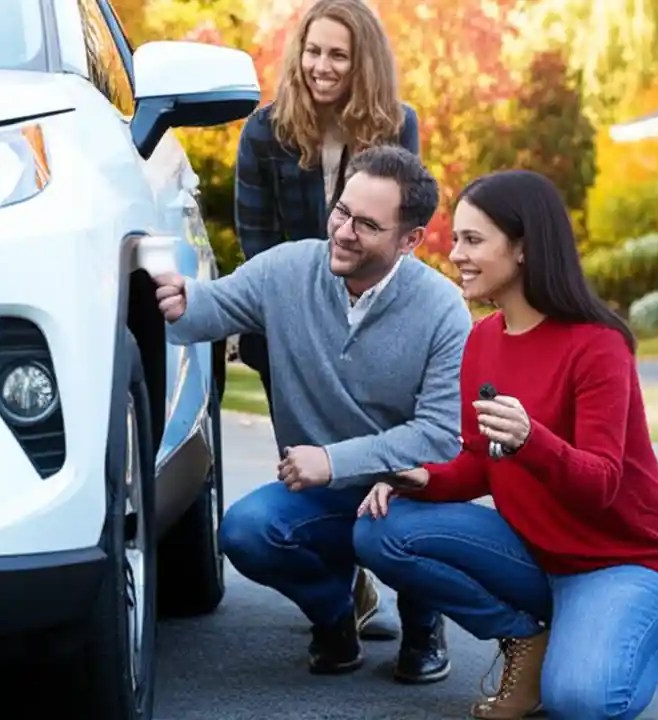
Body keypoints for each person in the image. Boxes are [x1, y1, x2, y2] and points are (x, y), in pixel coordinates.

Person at [351, 169, 658, 720]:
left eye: (474, 240)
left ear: (523, 248)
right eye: (458, 240)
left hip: (625, 561)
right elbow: (480, 462)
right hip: (536, 553)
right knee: (381, 530)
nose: (457, 255)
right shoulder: (481, 341)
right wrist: (422, 479)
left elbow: (601, 484)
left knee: (584, 699)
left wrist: (531, 439)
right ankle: (527, 637)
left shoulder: (598, 345)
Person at [155, 145, 470, 681]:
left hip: (404, 494)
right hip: (320, 498)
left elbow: (441, 435)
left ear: (409, 240)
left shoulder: (443, 310)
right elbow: (212, 305)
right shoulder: (288, 269)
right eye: (342, 211)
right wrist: (184, 303)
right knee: (246, 530)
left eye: (367, 224)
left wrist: (333, 459)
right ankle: (335, 617)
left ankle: (423, 625)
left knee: (404, 536)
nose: (344, 231)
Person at [232, 0, 421, 644]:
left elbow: (398, 231)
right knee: (309, 464)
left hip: (378, 319)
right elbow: (256, 244)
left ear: (361, 61)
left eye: (338, 54)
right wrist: (284, 326)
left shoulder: (397, 126)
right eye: (313, 51)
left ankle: (422, 611)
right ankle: (337, 597)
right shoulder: (265, 133)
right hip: (289, 327)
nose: (322, 66)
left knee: (391, 454)